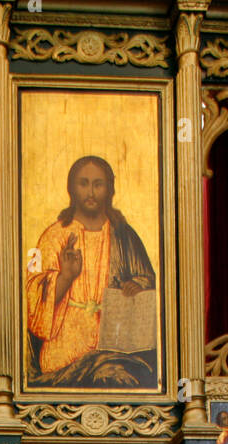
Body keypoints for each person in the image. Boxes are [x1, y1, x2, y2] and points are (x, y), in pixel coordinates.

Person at [24, 156, 157, 388]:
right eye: (83, 183)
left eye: (98, 184)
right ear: (71, 188)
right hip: (63, 348)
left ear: (109, 189)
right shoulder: (54, 236)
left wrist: (138, 284)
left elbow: (149, 280)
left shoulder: (123, 235)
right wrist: (65, 277)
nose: (91, 192)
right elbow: (32, 298)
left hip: (115, 343)